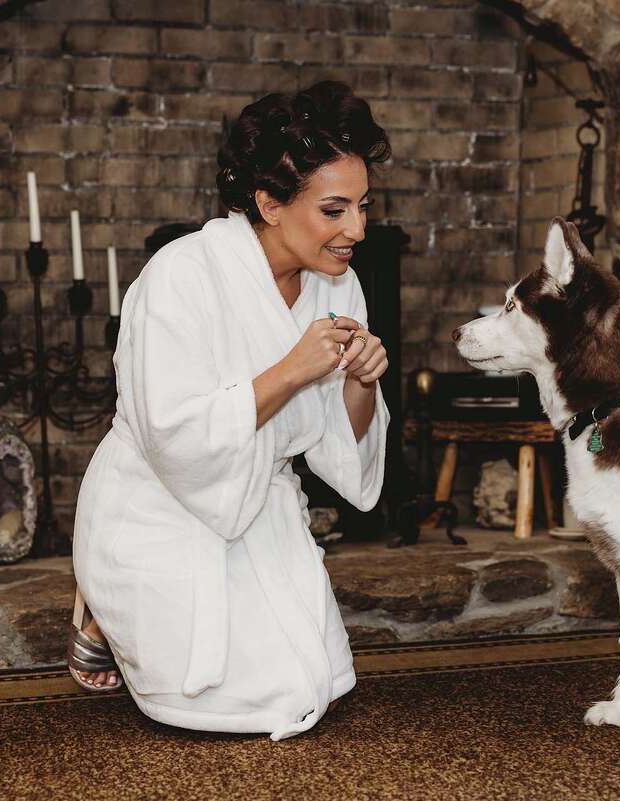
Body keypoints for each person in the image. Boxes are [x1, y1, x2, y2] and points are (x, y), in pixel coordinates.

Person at [66, 82, 391, 739]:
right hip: (161, 504)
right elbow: (172, 435)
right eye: (334, 209)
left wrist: (362, 380)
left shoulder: (341, 283)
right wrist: (293, 368)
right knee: (231, 705)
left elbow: (340, 449)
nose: (356, 229)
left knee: (315, 684)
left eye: (362, 206)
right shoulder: (181, 277)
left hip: (258, 502)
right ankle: (103, 598)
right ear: (270, 202)